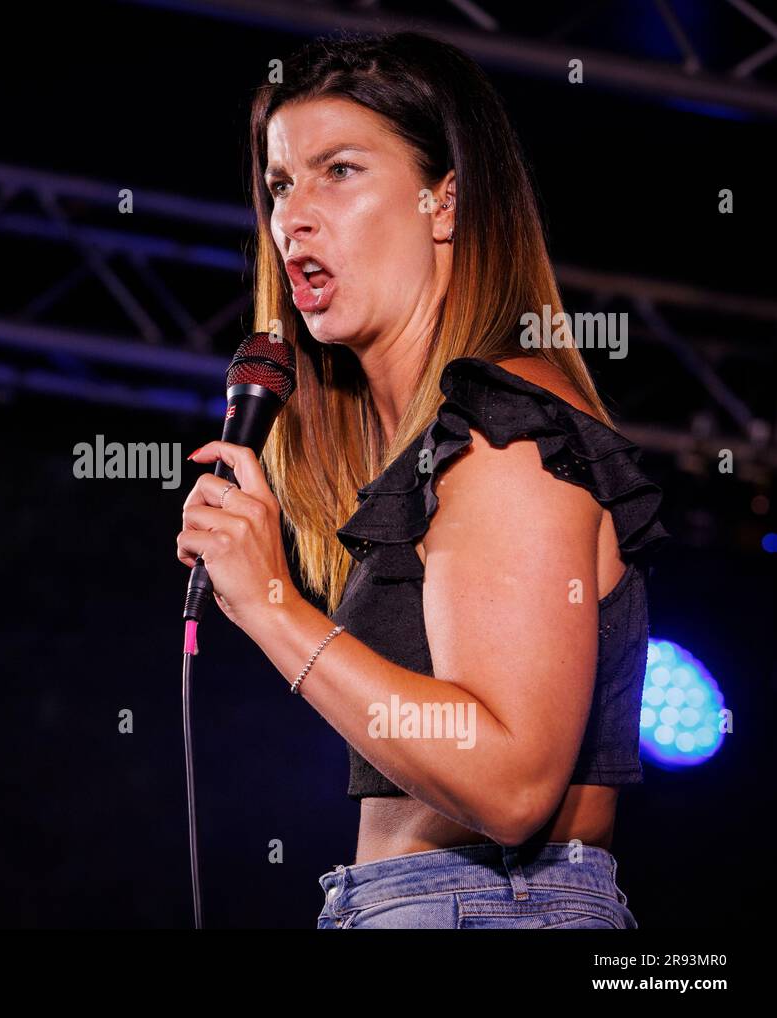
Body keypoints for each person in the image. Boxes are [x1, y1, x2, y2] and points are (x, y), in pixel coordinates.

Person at [175, 32, 669, 929]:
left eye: (341, 171)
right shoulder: (439, 442)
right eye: (281, 183)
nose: (294, 216)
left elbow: (513, 783)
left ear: (443, 201)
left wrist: (274, 606)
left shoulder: (504, 430)